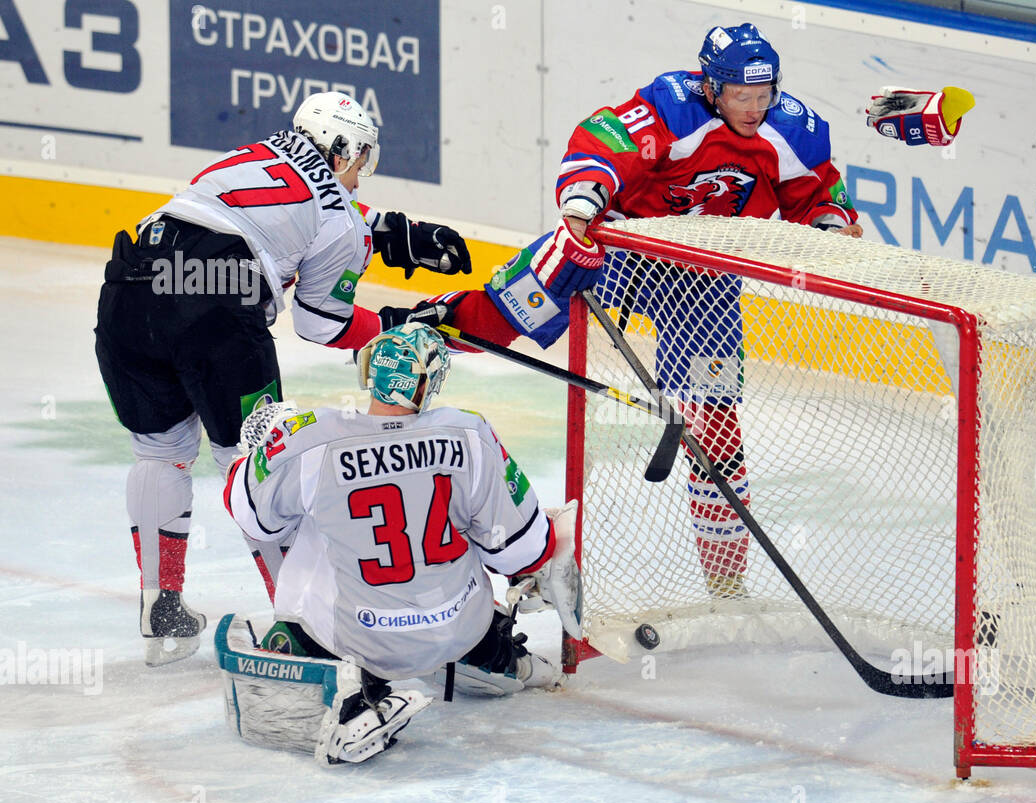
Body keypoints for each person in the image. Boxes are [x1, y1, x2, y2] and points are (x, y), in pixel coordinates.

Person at [95, 91, 475, 666]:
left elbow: (303, 209)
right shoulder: (342, 218)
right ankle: (299, 630)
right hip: (217, 313)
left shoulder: (247, 155)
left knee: (160, 453)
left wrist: (398, 233)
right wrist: (396, 322)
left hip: (128, 292)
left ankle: (161, 608)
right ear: (341, 148)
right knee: (257, 466)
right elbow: (322, 324)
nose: (361, 172)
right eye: (361, 157)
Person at [553, 23, 862, 598]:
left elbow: (818, 193)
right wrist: (584, 196)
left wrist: (829, 224)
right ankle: (436, 341)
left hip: (702, 283)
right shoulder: (672, 106)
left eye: (763, 92)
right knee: (534, 288)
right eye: (739, 95)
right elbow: (602, 141)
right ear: (711, 86)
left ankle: (726, 585)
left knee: (717, 423)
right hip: (624, 251)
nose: (753, 107)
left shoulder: (793, 128)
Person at [219, 324, 583, 765]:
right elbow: (523, 552)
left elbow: (253, 519)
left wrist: (257, 451)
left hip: (357, 639)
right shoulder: (470, 432)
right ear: (427, 384)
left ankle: (334, 679)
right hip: (458, 629)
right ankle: (489, 652)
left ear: (370, 371)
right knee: (486, 522)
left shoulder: (310, 436)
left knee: (311, 519)